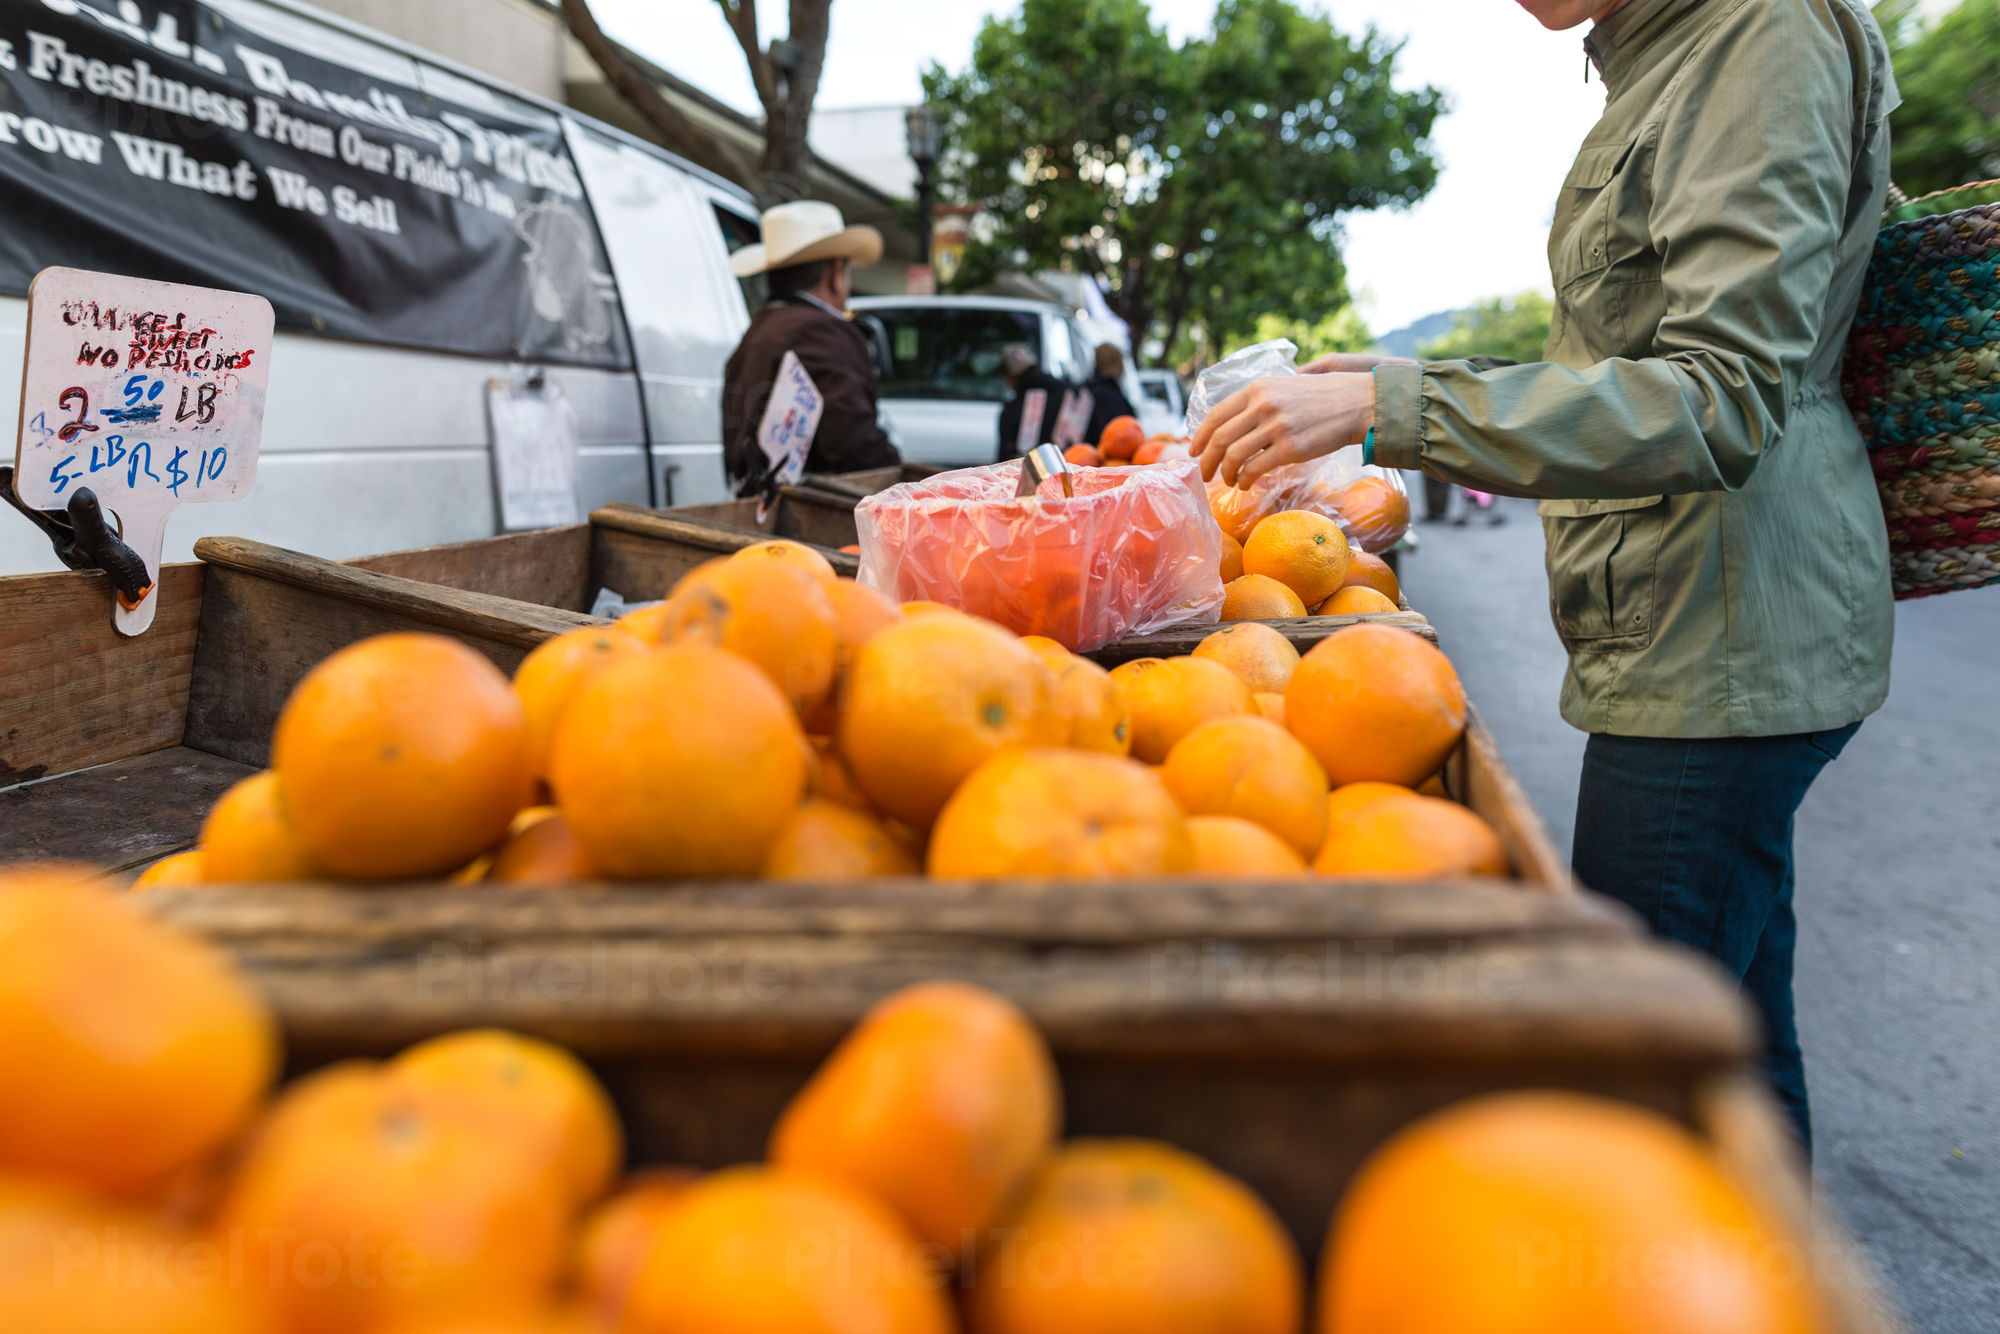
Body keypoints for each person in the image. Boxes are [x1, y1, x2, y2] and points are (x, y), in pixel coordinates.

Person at [1194, 0, 1897, 1155]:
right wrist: (1410, 377)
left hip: (1718, 633)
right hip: (1698, 623)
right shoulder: (1670, 50)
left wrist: (1392, 408)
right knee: (1729, 1038)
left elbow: (1717, 394)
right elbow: (1627, 361)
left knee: (1619, 1071)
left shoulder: (1758, 31)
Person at [722, 201, 900, 496]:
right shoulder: (825, 333)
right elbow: (856, 449)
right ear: (833, 274)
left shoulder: (757, 331)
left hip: (757, 507)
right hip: (813, 517)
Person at [995, 345, 1074, 463]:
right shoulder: (1070, 393)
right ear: (1037, 367)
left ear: (1009, 377)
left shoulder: (1012, 411)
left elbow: (1005, 462)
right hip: (1074, 471)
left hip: (1032, 476)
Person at [1083, 343, 1141, 445]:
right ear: (1117, 363)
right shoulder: (1110, 397)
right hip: (1106, 456)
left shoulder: (1087, 390)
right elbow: (1124, 435)